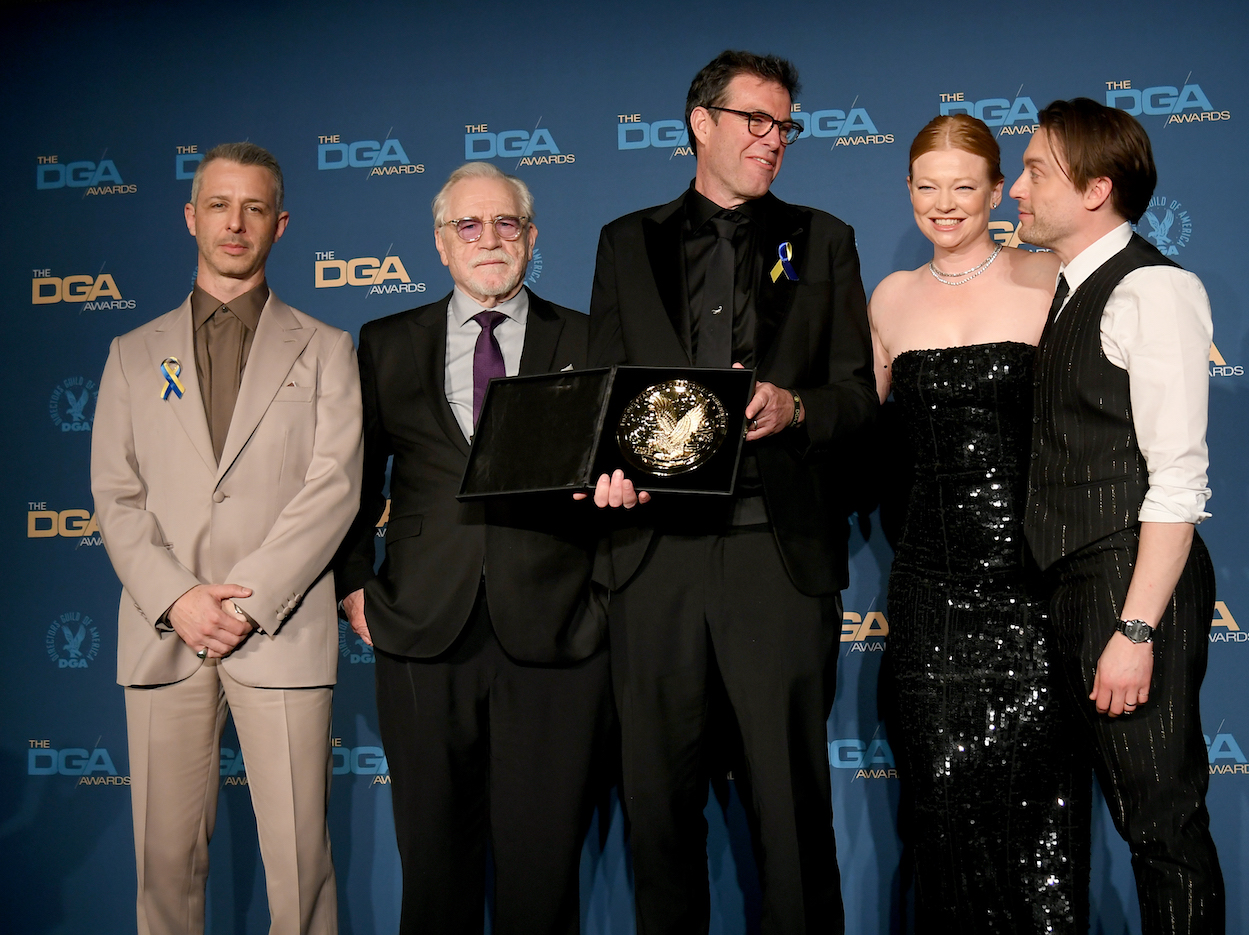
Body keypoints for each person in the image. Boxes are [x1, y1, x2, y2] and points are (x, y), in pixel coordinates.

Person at [586, 50, 877, 934]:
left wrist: (796, 407)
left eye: (784, 125)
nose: (773, 139)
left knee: (790, 812)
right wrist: (605, 473)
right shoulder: (623, 240)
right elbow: (602, 394)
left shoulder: (823, 239)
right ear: (700, 123)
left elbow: (858, 399)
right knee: (658, 811)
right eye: (756, 120)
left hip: (774, 558)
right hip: (654, 560)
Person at [90, 142, 362, 935]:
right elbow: (116, 494)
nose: (234, 223)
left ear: (280, 224)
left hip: (276, 629)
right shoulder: (130, 353)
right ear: (190, 217)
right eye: (218, 204)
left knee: (300, 871)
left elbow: (335, 486)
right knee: (165, 871)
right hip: (163, 633)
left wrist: (245, 602)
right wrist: (178, 598)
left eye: (252, 208)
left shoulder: (327, 347)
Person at [334, 162, 611, 935]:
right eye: (469, 226)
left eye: (507, 224)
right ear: (441, 244)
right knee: (433, 868)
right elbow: (354, 483)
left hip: (557, 631)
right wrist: (354, 583)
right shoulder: (386, 343)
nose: (489, 240)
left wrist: (604, 597)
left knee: (543, 867)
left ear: (530, 237)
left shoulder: (588, 337)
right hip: (423, 626)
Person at [867, 114, 1088, 932]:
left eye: (965, 186)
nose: (946, 204)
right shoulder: (888, 298)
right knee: (944, 819)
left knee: (1038, 833)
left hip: (1032, 591)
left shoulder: (1047, 280)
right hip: (927, 596)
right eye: (928, 187)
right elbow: (864, 447)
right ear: (910, 194)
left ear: (999, 191)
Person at [1013, 98, 1224, 933]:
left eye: (1034, 172)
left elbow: (1178, 476)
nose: (1014, 193)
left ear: (1096, 187)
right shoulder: (1068, 291)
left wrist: (1135, 630)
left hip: (1127, 583)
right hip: (1075, 583)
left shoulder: (1155, 287)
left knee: (1161, 823)